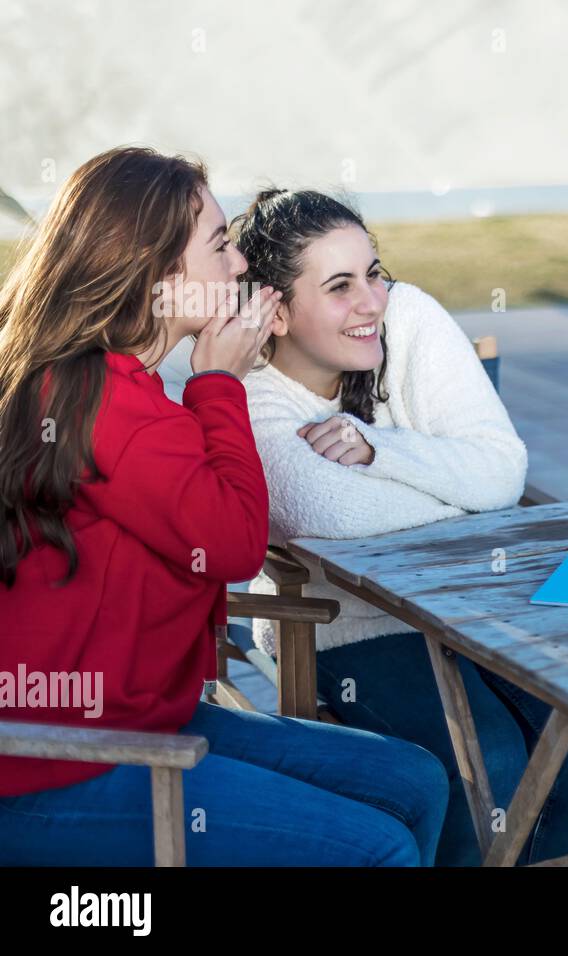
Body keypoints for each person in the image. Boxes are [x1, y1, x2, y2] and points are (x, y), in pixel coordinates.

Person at [0, 147, 450, 866]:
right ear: (156, 275)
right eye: (218, 245)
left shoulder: (118, 385)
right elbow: (235, 543)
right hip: (53, 761)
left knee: (414, 781)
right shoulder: (100, 400)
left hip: (150, 719)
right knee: (377, 849)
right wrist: (219, 383)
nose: (239, 265)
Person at [231, 188, 568, 866]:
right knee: (489, 764)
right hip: (342, 623)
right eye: (338, 286)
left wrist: (380, 449)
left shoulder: (407, 316)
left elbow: (502, 471)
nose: (371, 301)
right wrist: (467, 493)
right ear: (274, 309)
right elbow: (335, 515)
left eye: (374, 271)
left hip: (477, 601)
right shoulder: (248, 388)